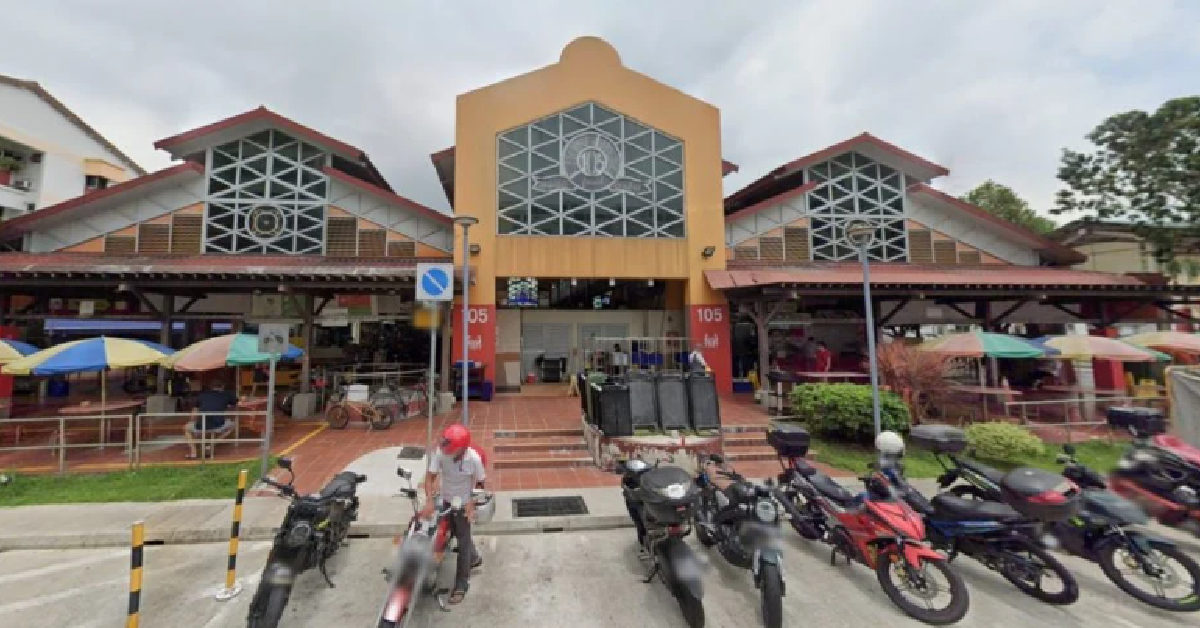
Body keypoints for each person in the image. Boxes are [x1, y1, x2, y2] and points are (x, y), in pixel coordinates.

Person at [421, 424, 486, 604]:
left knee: (463, 541)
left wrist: (471, 504)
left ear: (462, 449)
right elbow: (430, 477)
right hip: (446, 499)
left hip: (463, 503)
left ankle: (461, 584)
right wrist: (429, 500)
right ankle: (474, 558)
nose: (447, 451)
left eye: (452, 448)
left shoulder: (473, 459)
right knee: (444, 533)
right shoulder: (441, 453)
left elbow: (480, 483)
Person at [184, 379, 238, 459]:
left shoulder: (202, 395)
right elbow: (237, 402)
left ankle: (193, 452)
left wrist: (192, 421)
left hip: (201, 424)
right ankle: (211, 445)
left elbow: (194, 411)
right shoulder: (226, 395)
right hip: (218, 424)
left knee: (186, 428)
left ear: (211, 387)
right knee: (233, 425)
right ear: (222, 387)